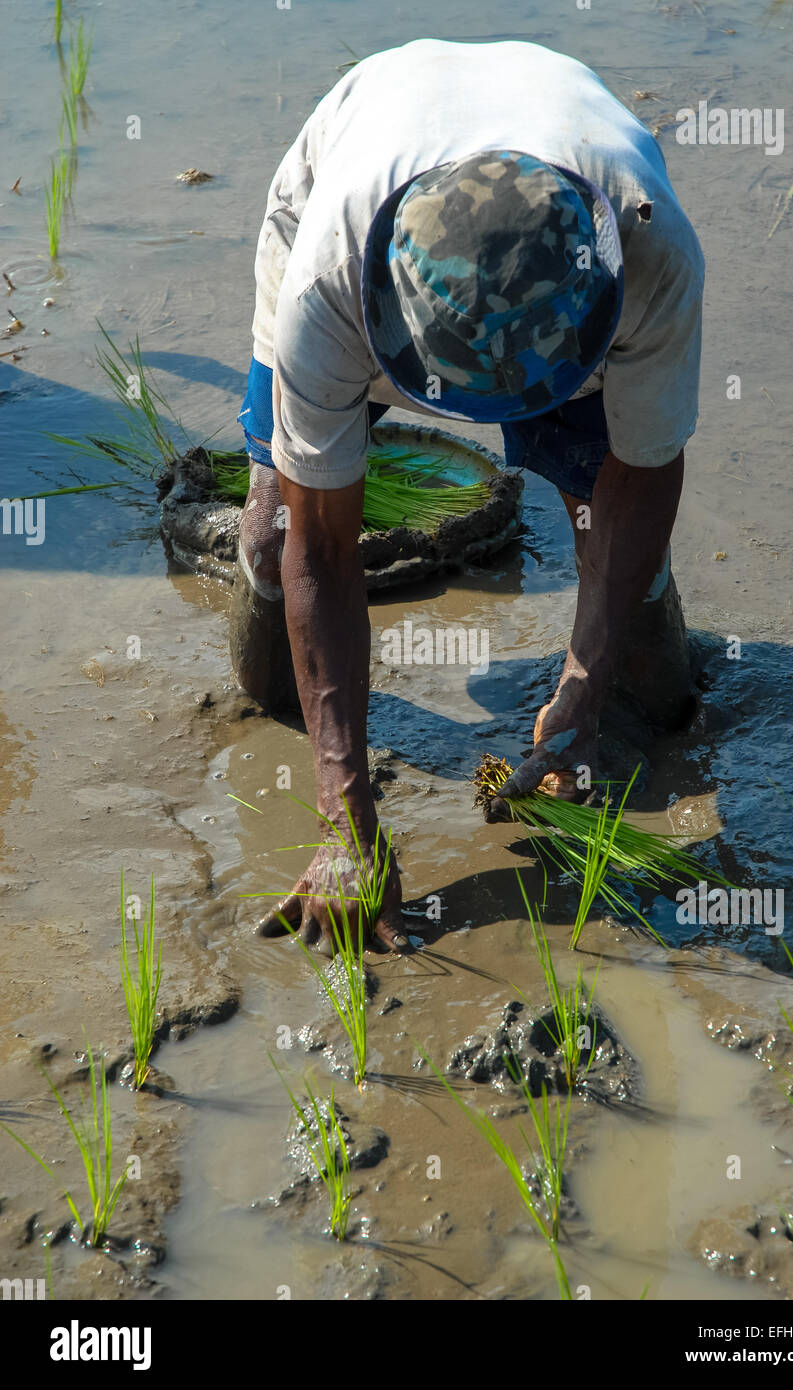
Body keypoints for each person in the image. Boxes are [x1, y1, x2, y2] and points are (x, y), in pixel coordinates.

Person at [234, 38, 704, 955]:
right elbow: (322, 547)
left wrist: (583, 684)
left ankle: (643, 712)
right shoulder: (326, 283)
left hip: (572, 299)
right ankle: (277, 706)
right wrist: (343, 815)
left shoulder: (650, 254)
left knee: (619, 564)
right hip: (350, 195)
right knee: (271, 535)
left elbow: (642, 480)